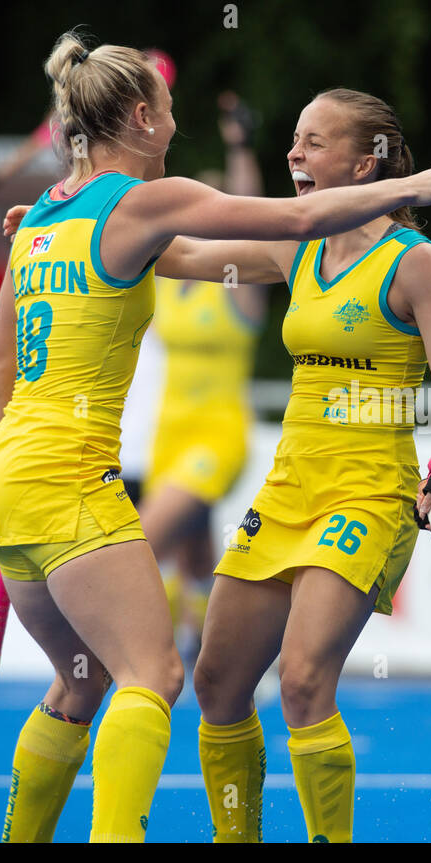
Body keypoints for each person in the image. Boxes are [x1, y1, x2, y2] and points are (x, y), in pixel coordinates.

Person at [0, 33, 431, 843]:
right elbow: (294, 217)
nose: (176, 124)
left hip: (5, 475)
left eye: (315, 140)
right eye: (168, 110)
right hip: (73, 475)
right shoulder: (145, 203)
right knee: (155, 675)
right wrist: (414, 182)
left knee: (85, 680)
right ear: (140, 115)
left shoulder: (43, 222)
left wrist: (14, 471)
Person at [138, 91, 265, 661]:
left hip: (216, 435)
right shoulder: (167, 274)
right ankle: (227, 654)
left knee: (139, 548)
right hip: (168, 434)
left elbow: (256, 215)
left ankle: (138, 655)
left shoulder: (243, 284)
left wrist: (240, 145)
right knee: (194, 564)